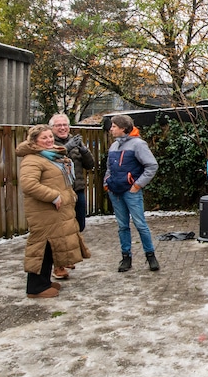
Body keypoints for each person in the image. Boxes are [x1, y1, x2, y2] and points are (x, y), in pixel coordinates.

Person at [17, 124, 90, 299]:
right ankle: (35, 288)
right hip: (44, 211)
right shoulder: (32, 159)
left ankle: (45, 282)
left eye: (50, 136)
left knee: (51, 247)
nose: (49, 140)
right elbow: (29, 185)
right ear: (34, 141)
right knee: (41, 247)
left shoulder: (50, 156)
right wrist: (54, 196)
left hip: (55, 212)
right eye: (44, 138)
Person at [103, 114, 160, 272]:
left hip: (131, 192)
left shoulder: (138, 144)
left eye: (114, 126)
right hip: (115, 191)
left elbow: (151, 166)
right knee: (122, 226)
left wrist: (137, 185)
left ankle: (151, 256)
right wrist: (106, 182)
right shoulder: (114, 146)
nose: (111, 129)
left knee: (140, 225)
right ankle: (126, 258)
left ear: (123, 128)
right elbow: (109, 167)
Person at [50, 113, 95, 280]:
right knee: (61, 230)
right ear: (52, 128)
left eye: (65, 125)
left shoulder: (76, 141)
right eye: (58, 125)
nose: (62, 128)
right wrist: (67, 148)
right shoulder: (49, 143)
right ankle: (59, 265)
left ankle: (67, 258)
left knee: (78, 226)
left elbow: (89, 165)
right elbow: (52, 161)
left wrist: (84, 150)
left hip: (78, 190)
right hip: (60, 193)